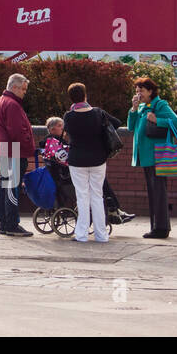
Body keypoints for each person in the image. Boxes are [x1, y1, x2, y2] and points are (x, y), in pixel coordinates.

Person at [127, 76, 177, 239]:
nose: (138, 94)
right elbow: (131, 127)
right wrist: (134, 109)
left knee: (158, 191)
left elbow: (176, 122)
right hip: (146, 156)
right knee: (153, 192)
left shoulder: (160, 104)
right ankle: (156, 226)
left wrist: (158, 119)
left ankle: (161, 228)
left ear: (150, 91)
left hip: (157, 155)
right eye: (137, 91)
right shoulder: (142, 107)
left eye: (141, 91)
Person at [63, 83, 111, 243]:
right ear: (85, 95)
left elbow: (68, 134)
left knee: (82, 197)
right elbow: (116, 123)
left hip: (77, 160)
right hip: (98, 159)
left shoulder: (68, 117)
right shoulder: (98, 113)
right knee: (97, 195)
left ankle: (81, 235)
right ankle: (101, 235)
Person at [0, 73, 35, 237]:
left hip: (5, 150)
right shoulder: (12, 105)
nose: (25, 92)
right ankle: (11, 224)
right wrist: (28, 146)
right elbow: (17, 131)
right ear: (15, 87)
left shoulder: (1, 101)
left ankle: (4, 223)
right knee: (12, 188)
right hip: (13, 152)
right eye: (23, 89)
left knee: (5, 187)